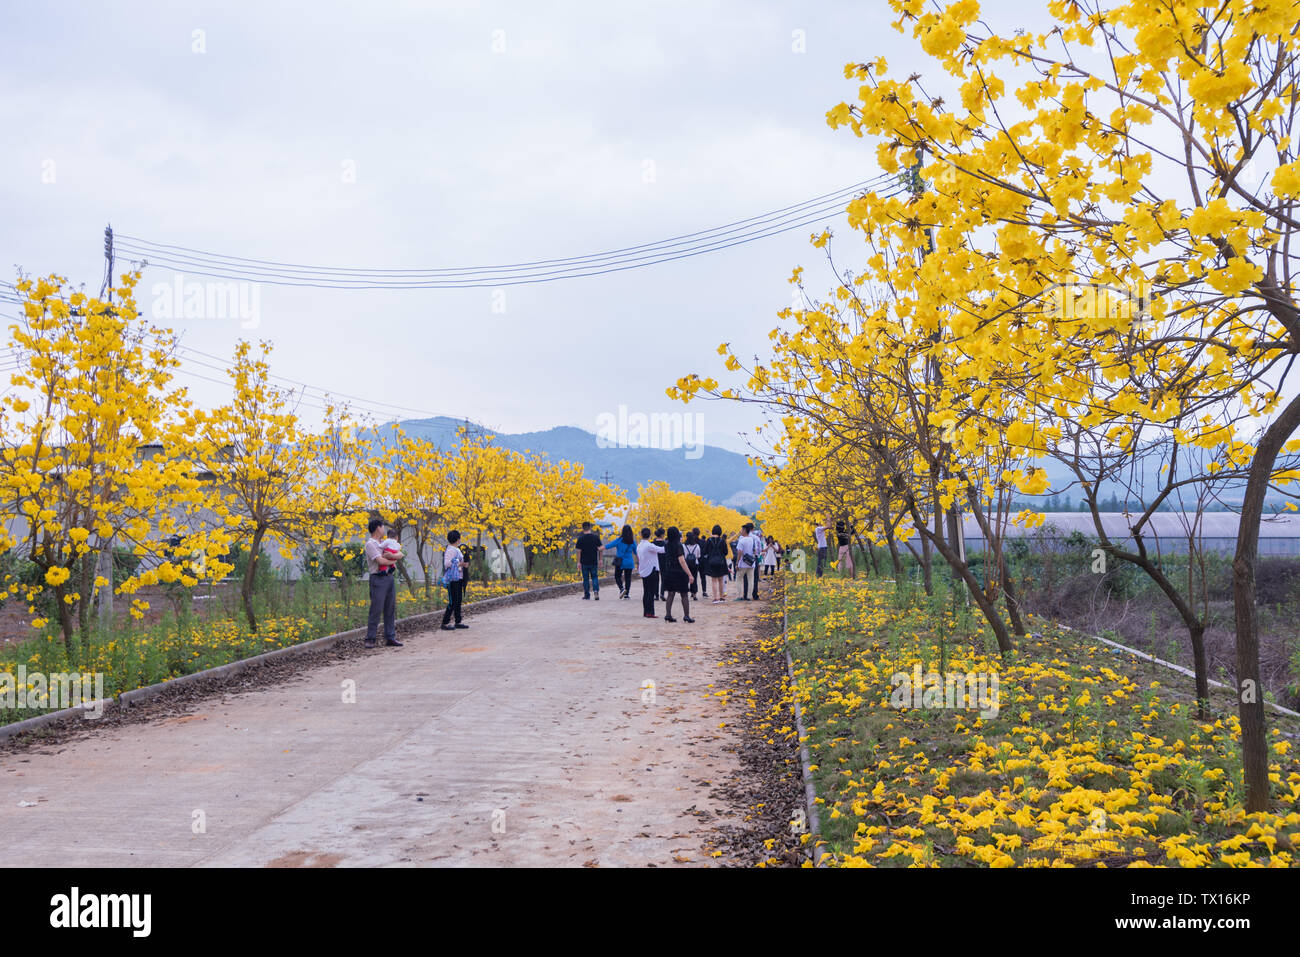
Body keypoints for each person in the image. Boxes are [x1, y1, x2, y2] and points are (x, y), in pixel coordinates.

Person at [362, 517, 402, 648]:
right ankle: (370, 638)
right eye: (382, 527)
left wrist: (393, 558)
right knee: (376, 609)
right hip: (378, 578)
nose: (384, 529)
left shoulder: (385, 542)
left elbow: (400, 553)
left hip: (389, 577)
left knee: (390, 608)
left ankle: (390, 636)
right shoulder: (370, 544)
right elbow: (381, 561)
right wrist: (393, 561)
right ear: (378, 528)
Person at [661, 526, 695, 623]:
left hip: (669, 571)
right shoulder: (678, 545)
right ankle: (686, 616)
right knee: (684, 594)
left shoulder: (666, 545)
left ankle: (668, 615)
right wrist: (689, 574)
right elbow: (682, 561)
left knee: (670, 594)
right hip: (679, 572)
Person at [440, 529, 469, 630]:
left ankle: (458, 621)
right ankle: (445, 622)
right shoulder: (451, 550)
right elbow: (447, 563)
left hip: (458, 578)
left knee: (458, 600)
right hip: (452, 579)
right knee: (453, 601)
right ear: (457, 539)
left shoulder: (456, 549)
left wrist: (464, 563)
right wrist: (459, 563)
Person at [636, 527, 665, 619]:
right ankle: (650, 612)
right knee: (651, 592)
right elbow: (662, 550)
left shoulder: (639, 545)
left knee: (646, 591)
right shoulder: (649, 545)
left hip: (643, 570)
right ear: (650, 535)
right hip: (651, 570)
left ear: (641, 535)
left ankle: (646, 612)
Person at [606, 525, 637, 599]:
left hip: (620, 562)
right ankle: (627, 594)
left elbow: (609, 546)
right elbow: (636, 552)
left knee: (617, 576)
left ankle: (622, 589)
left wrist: (599, 548)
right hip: (629, 562)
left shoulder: (619, 540)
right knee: (628, 578)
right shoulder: (632, 542)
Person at [575, 521, 603, 600]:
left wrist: (578, 562)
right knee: (594, 577)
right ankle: (596, 591)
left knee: (586, 578)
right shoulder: (596, 537)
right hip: (594, 561)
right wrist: (600, 559)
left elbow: (578, 551)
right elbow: (601, 549)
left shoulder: (580, 539)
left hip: (584, 562)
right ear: (590, 527)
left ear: (583, 528)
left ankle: (587, 594)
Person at [702, 524, 729, 603]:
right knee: (721, 580)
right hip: (721, 562)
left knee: (714, 580)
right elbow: (726, 552)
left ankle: (715, 598)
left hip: (712, 562)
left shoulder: (709, 540)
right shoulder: (722, 541)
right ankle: (721, 597)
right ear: (720, 532)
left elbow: (705, 551)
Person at [734, 522, 759, 600]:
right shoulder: (753, 539)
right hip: (751, 563)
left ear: (745, 530)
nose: (741, 531)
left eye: (742, 529)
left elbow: (739, 552)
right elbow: (756, 551)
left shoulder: (741, 540)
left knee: (738, 579)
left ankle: (740, 596)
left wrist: (737, 563)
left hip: (743, 563)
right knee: (751, 579)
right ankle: (749, 596)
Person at [684, 528, 702, 599]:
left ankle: (685, 592)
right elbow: (698, 556)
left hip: (686, 564)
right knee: (694, 578)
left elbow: (683, 555)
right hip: (695, 564)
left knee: (686, 578)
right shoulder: (697, 546)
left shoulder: (684, 546)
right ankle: (694, 594)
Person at [653, 528, 667, 599]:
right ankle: (662, 593)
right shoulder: (665, 544)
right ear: (662, 535)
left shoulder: (652, 543)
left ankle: (656, 595)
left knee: (656, 579)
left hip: (654, 563)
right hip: (664, 563)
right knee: (663, 579)